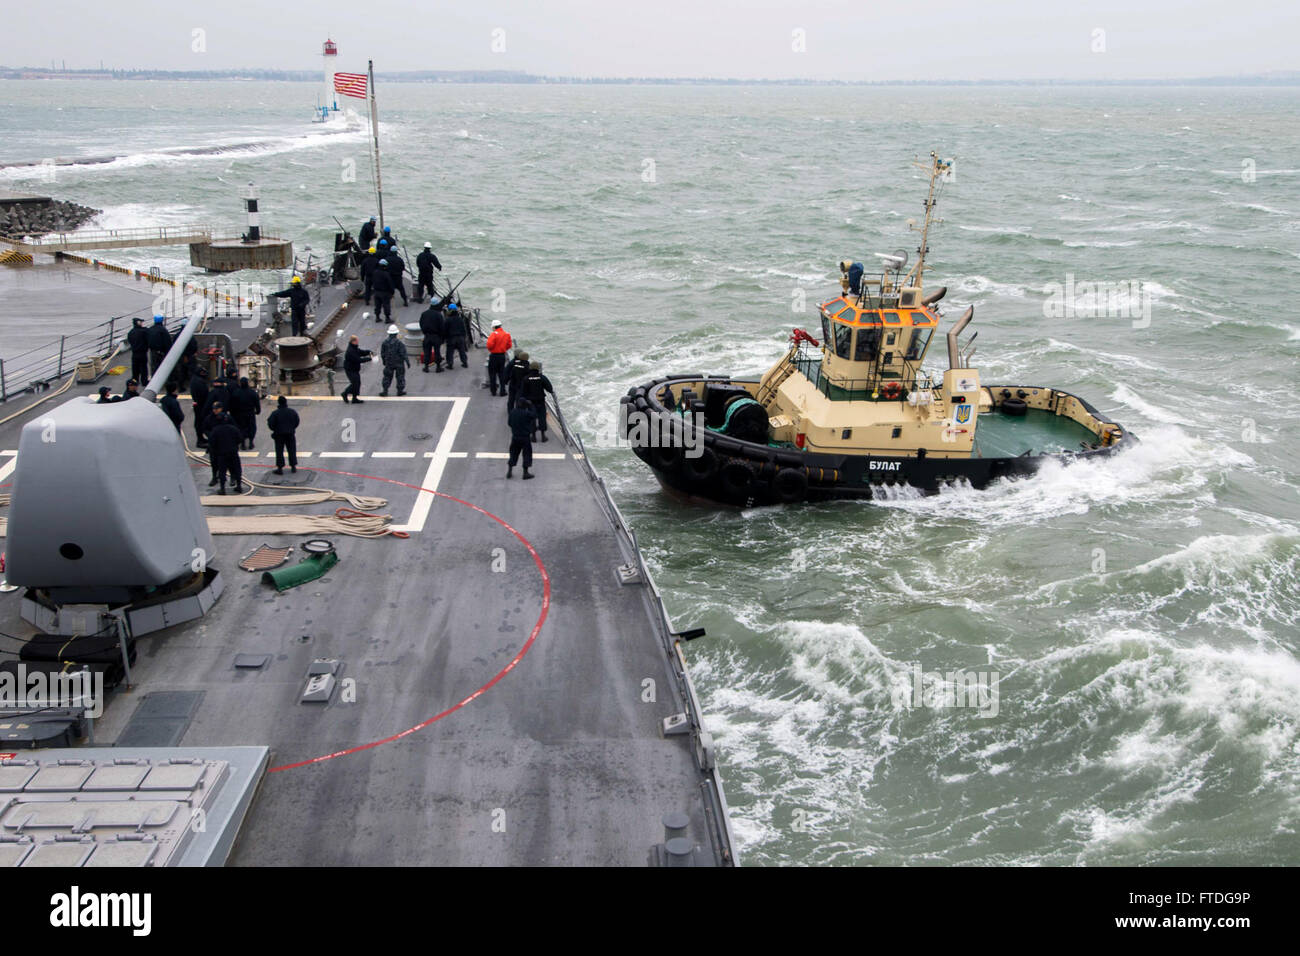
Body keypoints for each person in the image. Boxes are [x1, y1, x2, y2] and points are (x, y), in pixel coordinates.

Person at [207, 412, 244, 495]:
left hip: (221, 454)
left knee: (222, 471)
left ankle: (222, 489)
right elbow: (240, 439)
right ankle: (239, 486)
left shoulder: (215, 430)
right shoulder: (233, 429)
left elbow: (212, 442)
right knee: (237, 469)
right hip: (233, 452)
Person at [266, 395, 300, 475]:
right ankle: (293, 466)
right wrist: (292, 428)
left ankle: (280, 467)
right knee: (291, 449)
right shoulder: (292, 412)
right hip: (290, 434)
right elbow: (297, 421)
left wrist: (275, 430)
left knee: (279, 451)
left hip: (279, 434)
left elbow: (270, 423)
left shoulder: (275, 413)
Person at [523, 360, 555, 441]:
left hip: (530, 402)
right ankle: (543, 436)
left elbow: (523, 391)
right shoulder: (542, 377)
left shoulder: (526, 378)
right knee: (542, 418)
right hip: (540, 401)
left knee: (531, 418)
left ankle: (533, 436)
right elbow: (550, 388)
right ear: (538, 368)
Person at [507, 397, 536, 480]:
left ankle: (510, 470)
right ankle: (525, 472)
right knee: (527, 454)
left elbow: (509, 423)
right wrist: (531, 406)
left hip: (515, 436)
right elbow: (534, 415)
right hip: (525, 437)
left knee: (513, 453)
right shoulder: (526, 413)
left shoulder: (512, 412)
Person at [229, 376, 262, 450]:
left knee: (241, 428)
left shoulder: (236, 393)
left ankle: (243, 443)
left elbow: (232, 404)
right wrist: (258, 411)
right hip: (250, 413)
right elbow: (257, 403)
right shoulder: (252, 393)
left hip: (239, 414)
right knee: (251, 427)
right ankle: (251, 441)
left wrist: (232, 413)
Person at [341, 333, 372, 404]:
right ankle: (345, 393)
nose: (358, 342)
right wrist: (369, 359)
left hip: (354, 369)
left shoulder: (354, 348)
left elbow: (360, 352)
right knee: (355, 383)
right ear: (353, 341)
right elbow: (358, 359)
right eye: (357, 341)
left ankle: (354, 398)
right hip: (350, 370)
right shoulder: (350, 351)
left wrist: (368, 352)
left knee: (357, 383)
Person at [379, 324, 410, 397]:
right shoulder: (399, 343)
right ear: (396, 333)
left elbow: (382, 353)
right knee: (400, 376)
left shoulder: (385, 343)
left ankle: (385, 390)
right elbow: (403, 353)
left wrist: (384, 361)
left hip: (389, 362)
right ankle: (400, 391)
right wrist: (407, 362)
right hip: (399, 363)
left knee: (387, 376)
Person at [485, 319, 512, 396]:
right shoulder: (506, 334)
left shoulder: (493, 334)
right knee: (501, 374)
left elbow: (489, 345)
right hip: (502, 356)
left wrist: (492, 350)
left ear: (494, 327)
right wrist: (503, 349)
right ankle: (502, 391)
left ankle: (493, 391)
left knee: (492, 374)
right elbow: (509, 345)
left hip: (494, 356)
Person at [419, 297, 445, 372]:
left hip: (427, 336)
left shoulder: (424, 314)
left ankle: (426, 367)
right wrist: (442, 337)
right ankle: (438, 367)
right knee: (437, 352)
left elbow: (421, 324)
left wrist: (425, 332)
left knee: (427, 352)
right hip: (436, 336)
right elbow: (442, 327)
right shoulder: (438, 315)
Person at [442, 302, 468, 369]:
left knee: (450, 352)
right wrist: (464, 338)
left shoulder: (447, 320)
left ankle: (450, 364)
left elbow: (445, 330)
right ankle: (465, 363)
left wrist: (444, 338)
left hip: (451, 338)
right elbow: (464, 329)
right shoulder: (460, 319)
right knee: (462, 351)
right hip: (460, 338)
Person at [190, 366, 210, 447]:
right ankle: (200, 441)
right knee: (200, 422)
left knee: (199, 422)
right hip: (201, 405)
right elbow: (203, 394)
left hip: (198, 404)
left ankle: (201, 438)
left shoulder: (195, 379)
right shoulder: (199, 382)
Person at [146, 315, 171, 379]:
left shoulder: (150, 329)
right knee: (161, 366)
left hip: (152, 351)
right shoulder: (163, 330)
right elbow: (167, 341)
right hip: (161, 351)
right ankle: (161, 379)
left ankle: (153, 378)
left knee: (153, 365)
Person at [127, 317, 149, 383]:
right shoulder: (144, 331)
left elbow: (130, 341)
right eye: (141, 322)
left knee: (135, 368)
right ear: (138, 323)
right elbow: (147, 339)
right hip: (142, 352)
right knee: (143, 367)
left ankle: (135, 380)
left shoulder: (131, 332)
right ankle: (144, 381)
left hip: (134, 353)